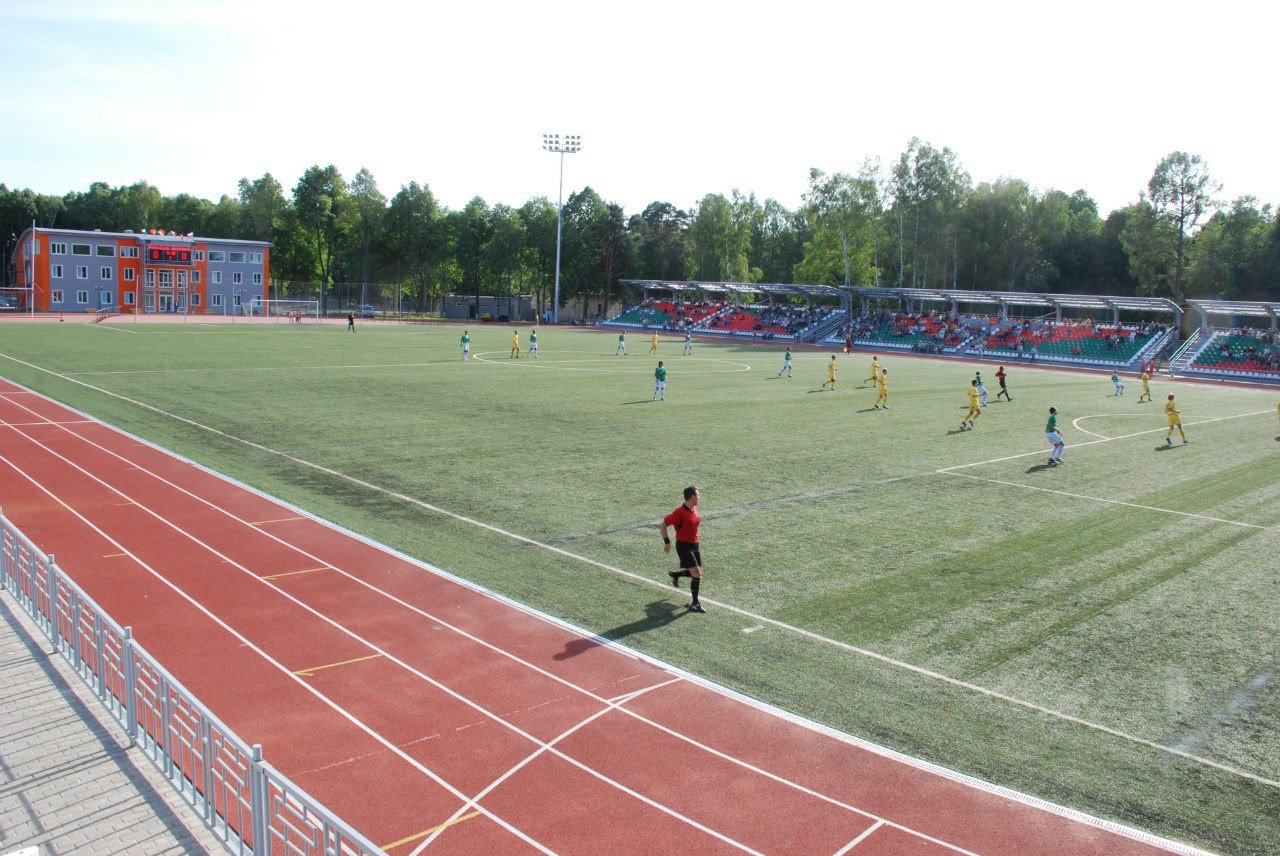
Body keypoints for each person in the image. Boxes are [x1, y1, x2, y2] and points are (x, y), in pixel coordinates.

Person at [661, 486, 705, 613]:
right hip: (683, 546)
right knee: (696, 573)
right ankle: (695, 604)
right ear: (691, 497)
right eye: (697, 495)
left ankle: (676, 575)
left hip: (694, 545)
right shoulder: (679, 512)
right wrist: (667, 542)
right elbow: (663, 524)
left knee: (698, 573)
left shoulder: (694, 509)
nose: (699, 497)